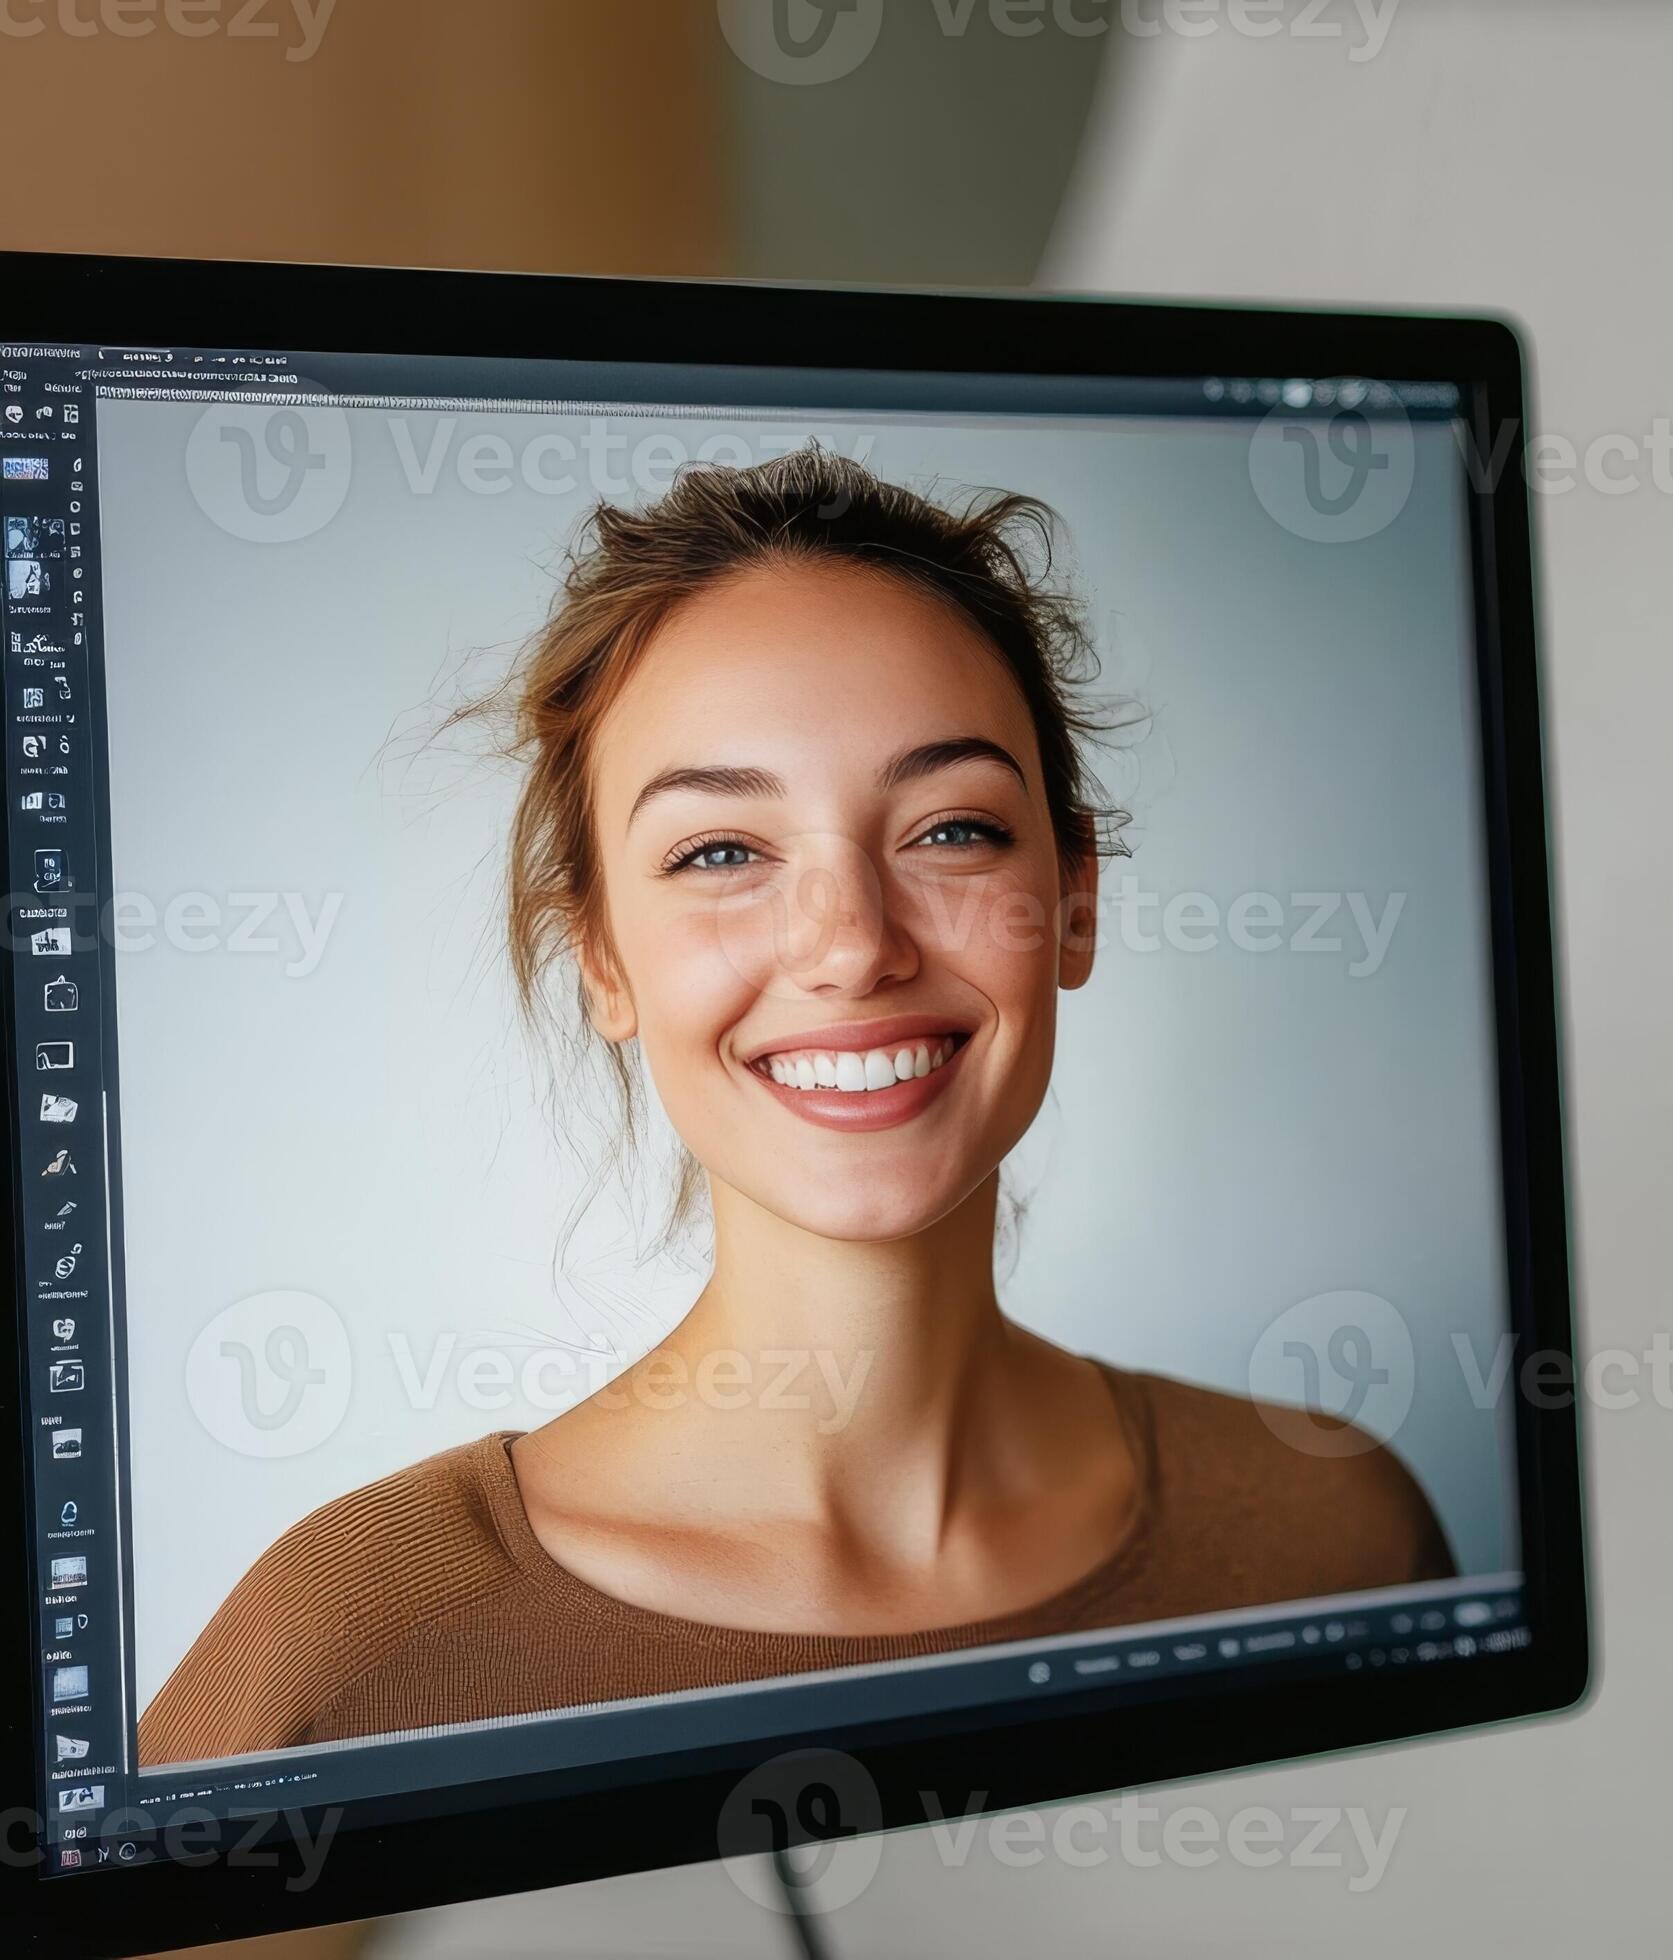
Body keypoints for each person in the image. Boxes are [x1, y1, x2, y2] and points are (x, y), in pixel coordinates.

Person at [143, 451, 1452, 1763]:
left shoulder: (1334, 1536)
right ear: (603, 958)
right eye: (722, 853)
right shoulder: (356, 1642)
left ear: (1075, 904)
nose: (851, 945)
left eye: (951, 830)